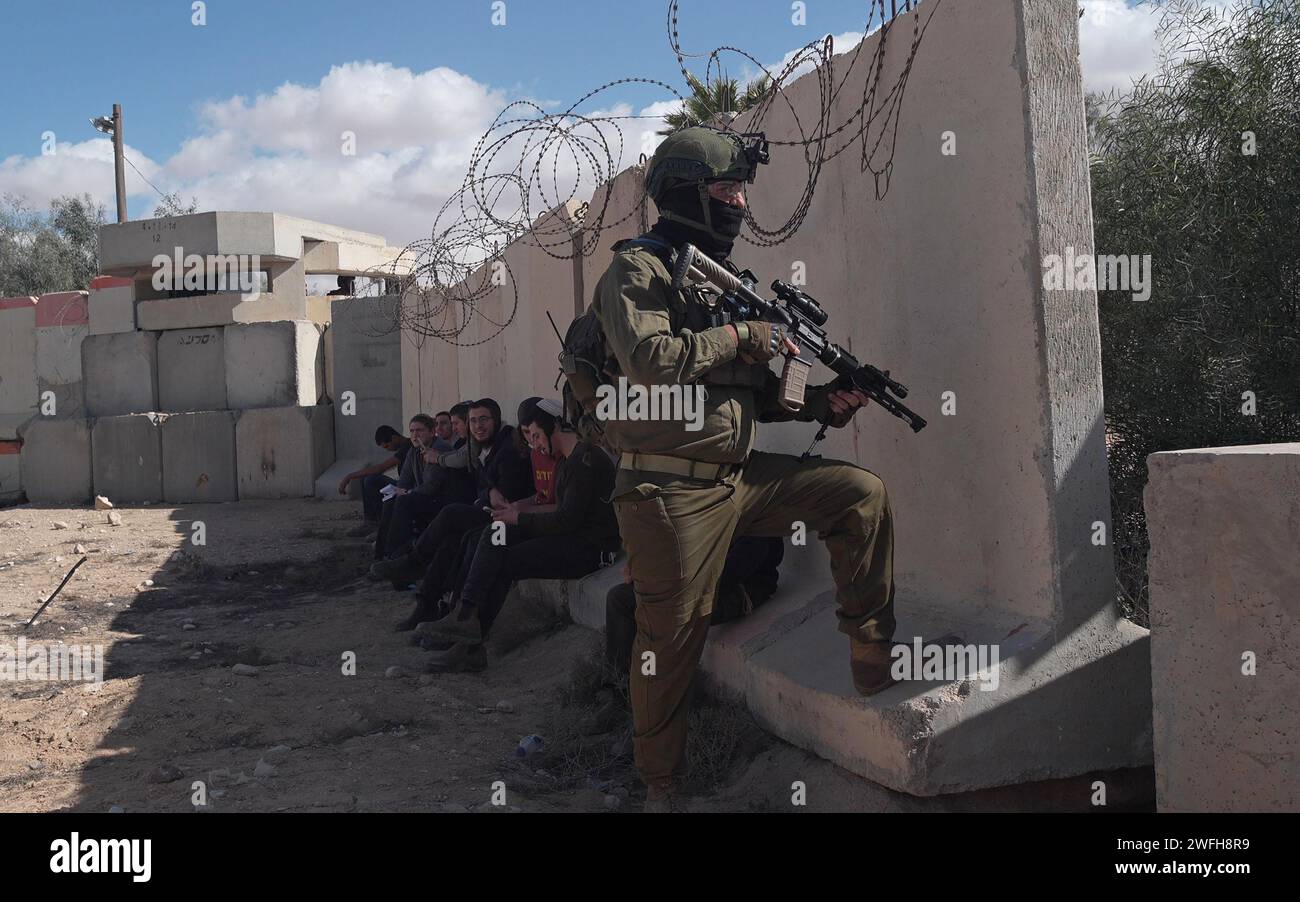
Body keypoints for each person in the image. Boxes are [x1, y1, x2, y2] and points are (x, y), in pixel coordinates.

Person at [590, 126, 895, 809]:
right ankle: (660, 785)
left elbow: (753, 396)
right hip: (667, 486)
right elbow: (650, 360)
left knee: (858, 494)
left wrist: (823, 402)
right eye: (726, 190)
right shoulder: (637, 270)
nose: (737, 203)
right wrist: (745, 336)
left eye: (740, 191)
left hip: (737, 476)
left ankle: (873, 656)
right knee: (671, 637)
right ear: (684, 195)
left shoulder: (731, 284)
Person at [419, 399, 621, 673]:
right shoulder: (567, 460)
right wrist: (519, 508)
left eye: (536, 435)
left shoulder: (584, 461)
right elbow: (561, 507)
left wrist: (520, 518)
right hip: (573, 537)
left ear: (554, 427)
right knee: (496, 533)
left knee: (504, 560)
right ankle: (464, 621)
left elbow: (566, 520)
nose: (534, 444)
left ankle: (467, 634)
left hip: (591, 550)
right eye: (528, 436)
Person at [370, 397, 534, 593]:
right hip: (487, 511)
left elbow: (504, 499)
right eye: (473, 421)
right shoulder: (481, 447)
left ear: (496, 421)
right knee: (448, 538)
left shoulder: (505, 450)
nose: (478, 426)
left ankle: (411, 562)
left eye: (483, 420)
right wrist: (488, 492)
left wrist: (485, 495)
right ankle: (427, 600)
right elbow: (485, 486)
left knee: (450, 516)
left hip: (504, 519)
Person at [338, 425, 412, 537]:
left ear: (394, 438)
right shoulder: (404, 448)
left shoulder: (408, 446)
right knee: (366, 479)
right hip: (402, 485)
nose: (388, 449)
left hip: (409, 488)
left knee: (371, 480)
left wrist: (349, 476)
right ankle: (370, 523)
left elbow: (380, 468)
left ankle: (377, 525)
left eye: (387, 446)